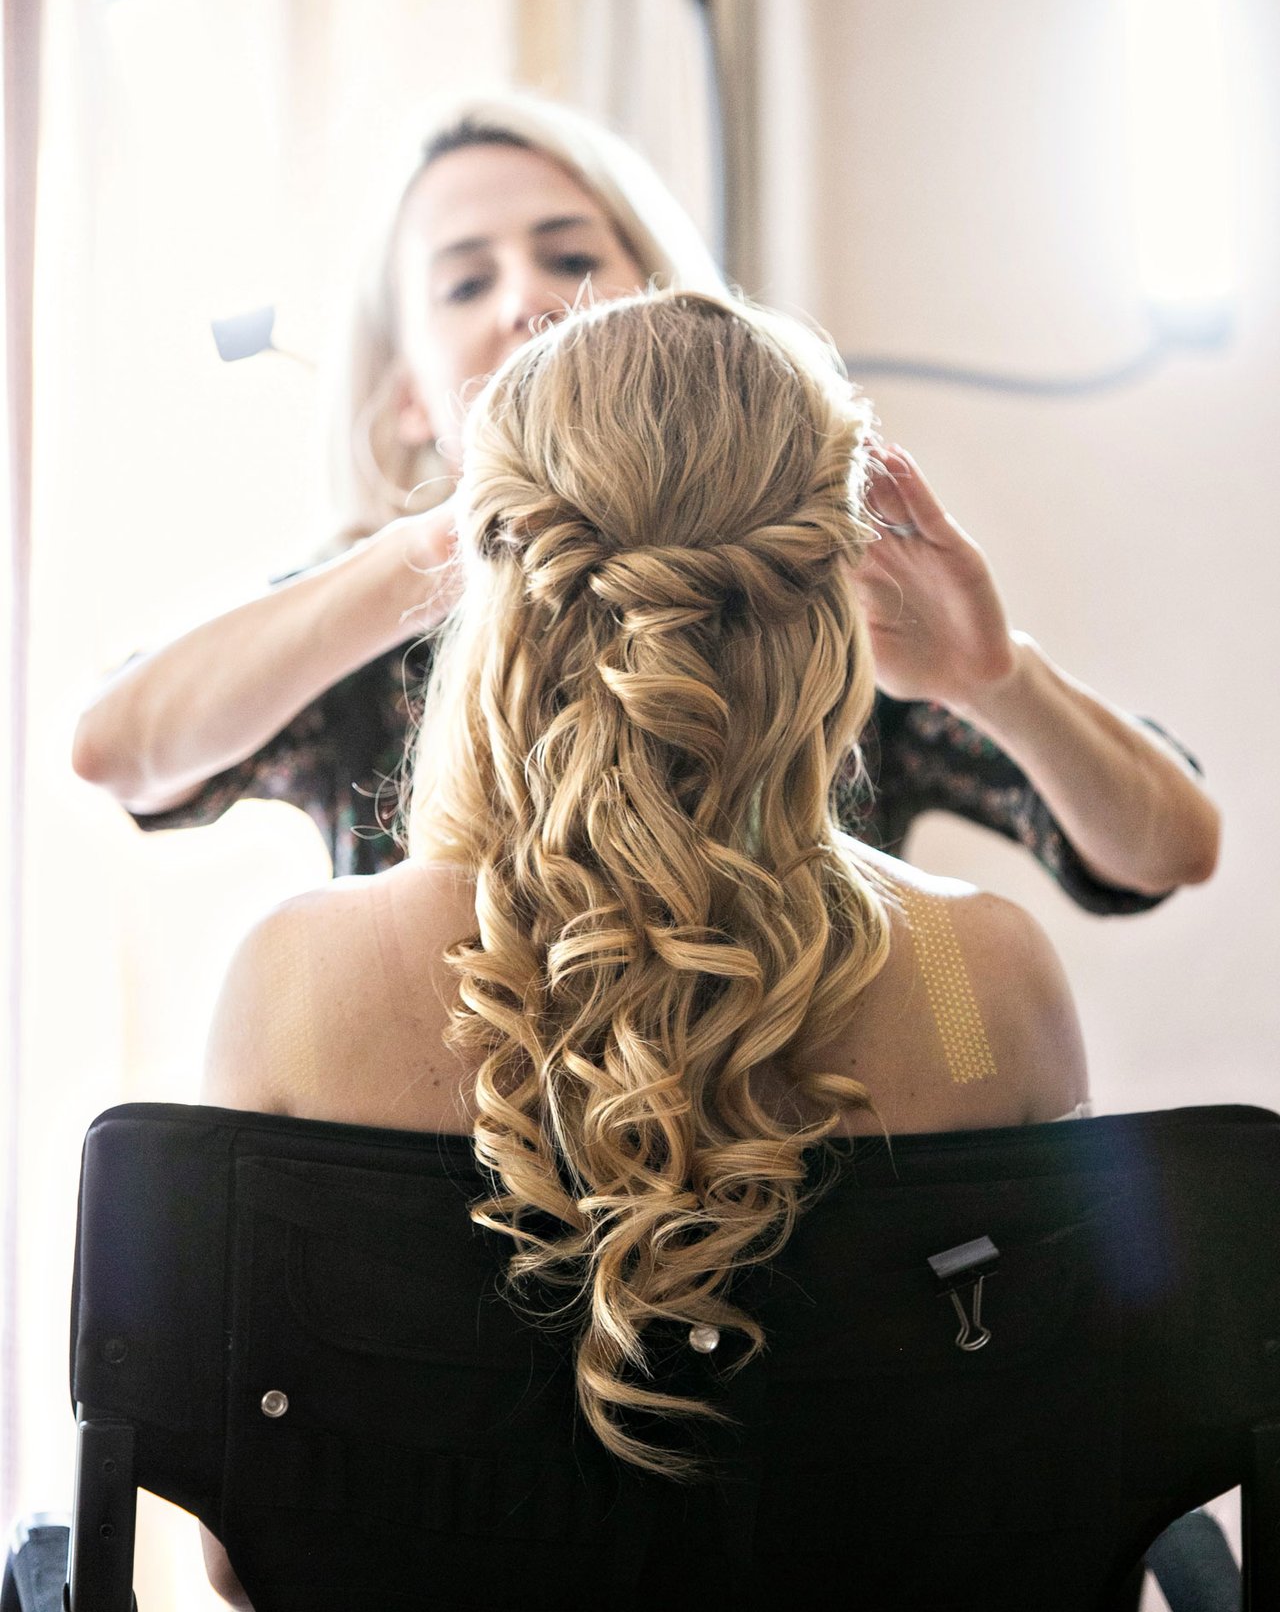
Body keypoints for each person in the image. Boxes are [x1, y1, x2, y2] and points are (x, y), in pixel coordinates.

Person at [198, 290, 1090, 1603]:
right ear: (841, 585)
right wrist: (994, 669)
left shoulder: (299, 980)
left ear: (493, 584)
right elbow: (1057, 1498)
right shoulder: (977, 983)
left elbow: (240, 1557)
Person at [71, 89, 1218, 902]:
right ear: (407, 395)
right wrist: (433, 552)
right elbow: (121, 753)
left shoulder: (814, 589)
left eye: (571, 259)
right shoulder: (373, 618)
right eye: (465, 280)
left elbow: (1167, 848)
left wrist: (993, 681)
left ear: (662, 311)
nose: (527, 299)